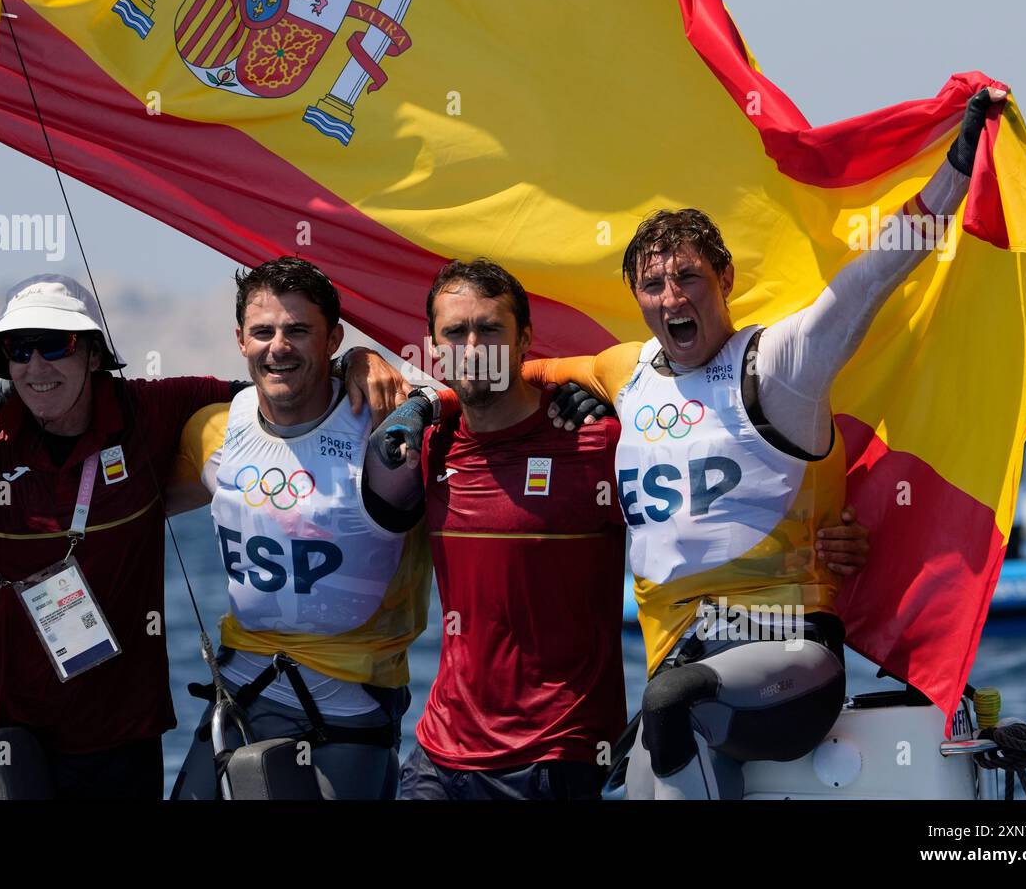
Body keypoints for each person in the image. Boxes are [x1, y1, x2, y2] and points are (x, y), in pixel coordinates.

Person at [521, 88, 1006, 798]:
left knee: (667, 704)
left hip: (791, 664)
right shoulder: (623, 370)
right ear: (636, 297)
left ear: (726, 279)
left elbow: (872, 277)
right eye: (653, 284)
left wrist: (955, 170)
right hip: (685, 670)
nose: (672, 296)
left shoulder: (780, 364)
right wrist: (386, 383)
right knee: (634, 776)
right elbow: (522, 374)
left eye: (689, 276)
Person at [0, 272, 396, 799]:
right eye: (18, 350)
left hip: (122, 740)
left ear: (93, 354)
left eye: (55, 345)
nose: (35, 366)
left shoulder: (151, 412)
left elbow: (283, 385)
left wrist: (356, 361)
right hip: (7, 733)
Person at [369, 260, 872, 799]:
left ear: (525, 340)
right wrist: (394, 381)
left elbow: (728, 487)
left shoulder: (601, 442)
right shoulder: (427, 445)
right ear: (434, 344)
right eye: (455, 332)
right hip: (437, 756)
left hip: (558, 756)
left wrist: (826, 533)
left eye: (490, 328)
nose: (474, 346)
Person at [167, 257, 429, 800]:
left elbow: (479, 397)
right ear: (240, 339)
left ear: (333, 337)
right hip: (240, 697)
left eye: (298, 331)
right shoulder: (212, 429)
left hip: (351, 713)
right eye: (262, 331)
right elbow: (120, 503)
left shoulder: (391, 429)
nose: (278, 346)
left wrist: (375, 362)